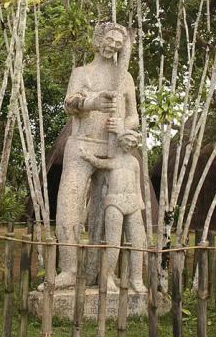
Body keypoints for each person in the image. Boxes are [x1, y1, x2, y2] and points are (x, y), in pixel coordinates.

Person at [55, 22, 139, 288]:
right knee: (69, 204)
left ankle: (102, 273)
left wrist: (123, 126)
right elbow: (70, 104)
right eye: (109, 39)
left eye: (118, 42)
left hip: (113, 148)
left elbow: (133, 116)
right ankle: (68, 269)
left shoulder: (124, 78)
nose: (112, 45)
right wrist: (92, 102)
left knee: (105, 212)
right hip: (81, 145)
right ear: (98, 40)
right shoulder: (82, 73)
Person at [80, 130, 147, 293]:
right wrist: (87, 156)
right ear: (120, 141)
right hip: (114, 203)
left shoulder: (134, 163)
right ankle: (108, 276)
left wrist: (140, 203)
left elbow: (138, 186)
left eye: (133, 143)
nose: (130, 145)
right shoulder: (113, 160)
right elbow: (98, 163)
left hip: (133, 203)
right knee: (113, 244)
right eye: (128, 141)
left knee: (137, 243)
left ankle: (136, 278)